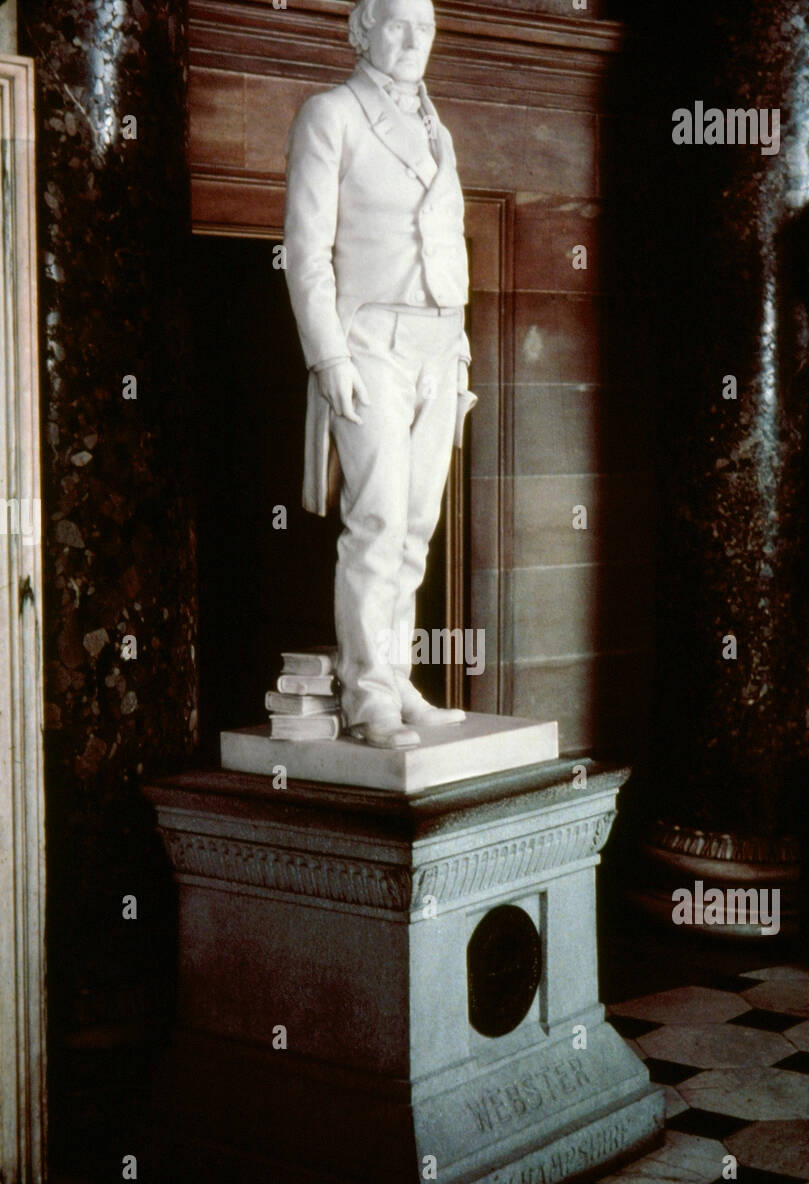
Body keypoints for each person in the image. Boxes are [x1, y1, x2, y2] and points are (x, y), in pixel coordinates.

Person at [283, 0, 476, 749]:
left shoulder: (439, 127)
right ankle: (367, 698)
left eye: (424, 27)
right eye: (396, 23)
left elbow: (445, 243)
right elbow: (306, 253)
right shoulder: (331, 114)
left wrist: (459, 352)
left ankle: (395, 678)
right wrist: (328, 355)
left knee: (418, 526)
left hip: (438, 344)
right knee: (377, 521)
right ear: (361, 31)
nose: (412, 39)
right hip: (371, 344)